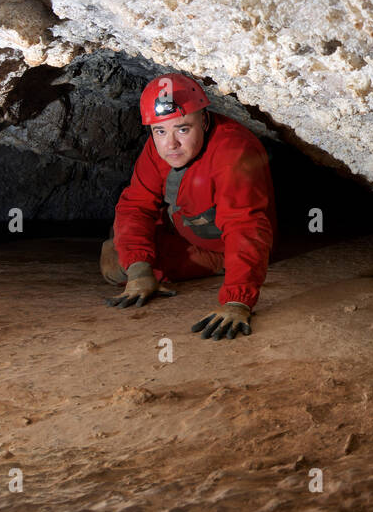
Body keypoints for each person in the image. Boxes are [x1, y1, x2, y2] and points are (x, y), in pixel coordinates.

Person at [99, 72, 276, 340]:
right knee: (117, 257)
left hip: (224, 247)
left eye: (183, 129)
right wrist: (138, 271)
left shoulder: (234, 152)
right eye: (160, 130)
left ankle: (226, 267)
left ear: (204, 121)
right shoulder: (158, 148)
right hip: (184, 226)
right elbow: (136, 205)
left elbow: (245, 225)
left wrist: (237, 300)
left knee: (119, 262)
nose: (171, 144)